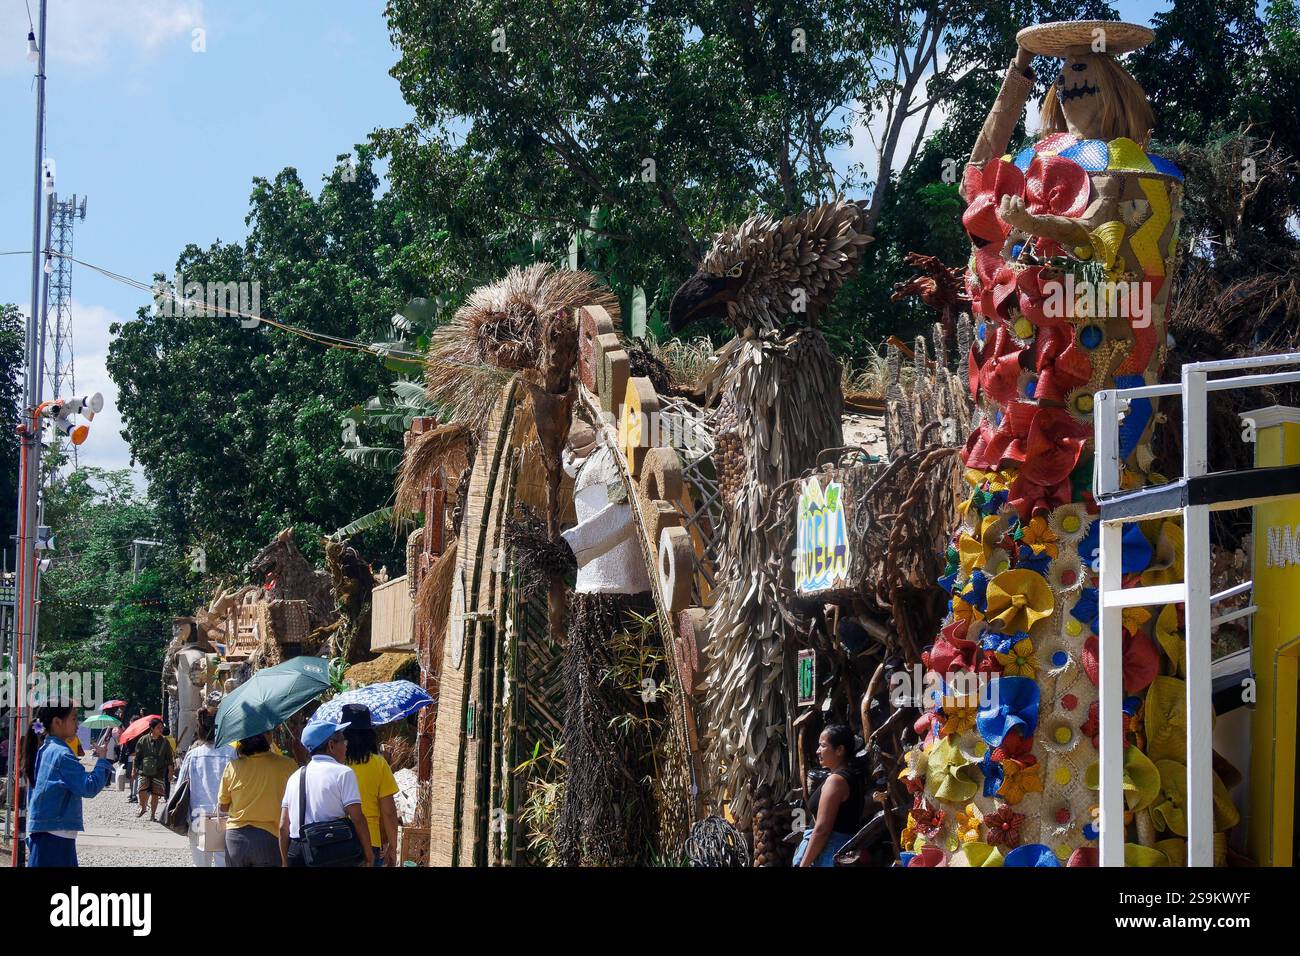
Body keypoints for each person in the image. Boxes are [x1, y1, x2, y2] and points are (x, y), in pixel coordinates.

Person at [24, 703, 113, 867]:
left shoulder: (45, 749)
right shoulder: (62, 754)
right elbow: (88, 787)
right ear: (57, 722)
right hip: (56, 834)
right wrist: (102, 760)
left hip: (45, 830)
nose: (78, 723)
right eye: (73, 718)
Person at [279, 721, 372, 867]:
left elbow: (283, 826)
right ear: (331, 745)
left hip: (298, 853)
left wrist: (285, 861)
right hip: (331, 851)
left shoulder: (294, 777)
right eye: (343, 741)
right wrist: (369, 856)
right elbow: (357, 818)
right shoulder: (343, 773)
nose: (346, 746)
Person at [217, 731, 297, 867]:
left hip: (235, 839)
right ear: (267, 738)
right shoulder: (288, 765)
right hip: (270, 838)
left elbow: (222, 806)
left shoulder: (232, 767)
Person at [793, 724, 864, 867]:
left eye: (823, 746)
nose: (818, 751)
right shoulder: (844, 777)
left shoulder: (836, 781)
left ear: (839, 750)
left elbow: (822, 830)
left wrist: (804, 864)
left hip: (829, 852)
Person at [340, 704, 400, 866]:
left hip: (339, 840)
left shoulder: (337, 763)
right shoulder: (379, 764)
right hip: (371, 840)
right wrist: (393, 847)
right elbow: (388, 812)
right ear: (370, 733)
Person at [174, 708, 232, 867]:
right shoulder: (232, 754)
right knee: (224, 862)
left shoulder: (193, 755)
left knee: (200, 863)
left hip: (198, 816)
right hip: (226, 816)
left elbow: (179, 788)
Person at [134, 719, 174, 821]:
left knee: (155, 794)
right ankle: (143, 807)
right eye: (158, 727)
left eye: (162, 727)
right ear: (152, 728)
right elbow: (137, 756)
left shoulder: (165, 742)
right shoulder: (143, 740)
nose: (161, 729)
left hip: (159, 771)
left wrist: (170, 771)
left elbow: (169, 758)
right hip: (144, 771)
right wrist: (134, 769)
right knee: (141, 790)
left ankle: (153, 815)